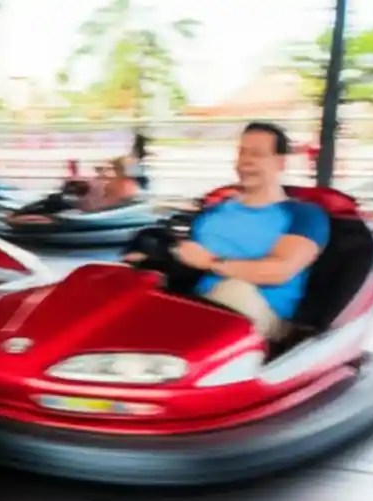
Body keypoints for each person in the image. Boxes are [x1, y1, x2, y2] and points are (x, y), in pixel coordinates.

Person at [126, 121, 329, 340]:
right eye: (242, 153)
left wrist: (211, 263)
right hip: (199, 304)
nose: (246, 161)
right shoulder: (213, 212)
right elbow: (186, 261)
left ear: (280, 163)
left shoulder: (304, 215)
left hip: (260, 315)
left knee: (233, 290)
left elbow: (279, 271)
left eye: (257, 154)